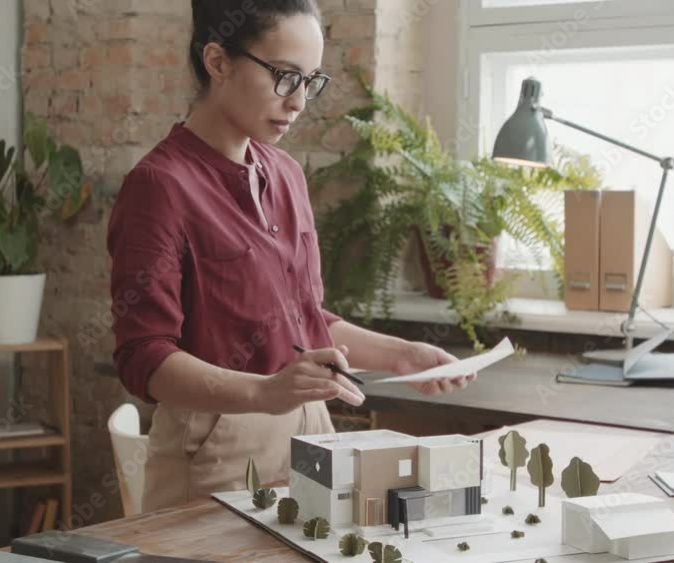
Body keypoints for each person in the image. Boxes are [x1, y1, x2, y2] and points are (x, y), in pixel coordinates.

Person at [107, 0, 475, 512]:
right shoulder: (159, 187)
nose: (300, 101)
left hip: (311, 431)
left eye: (311, 81)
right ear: (218, 61)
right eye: (285, 77)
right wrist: (265, 392)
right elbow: (144, 358)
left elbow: (301, 320)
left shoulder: (286, 174)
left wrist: (402, 355)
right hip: (218, 446)